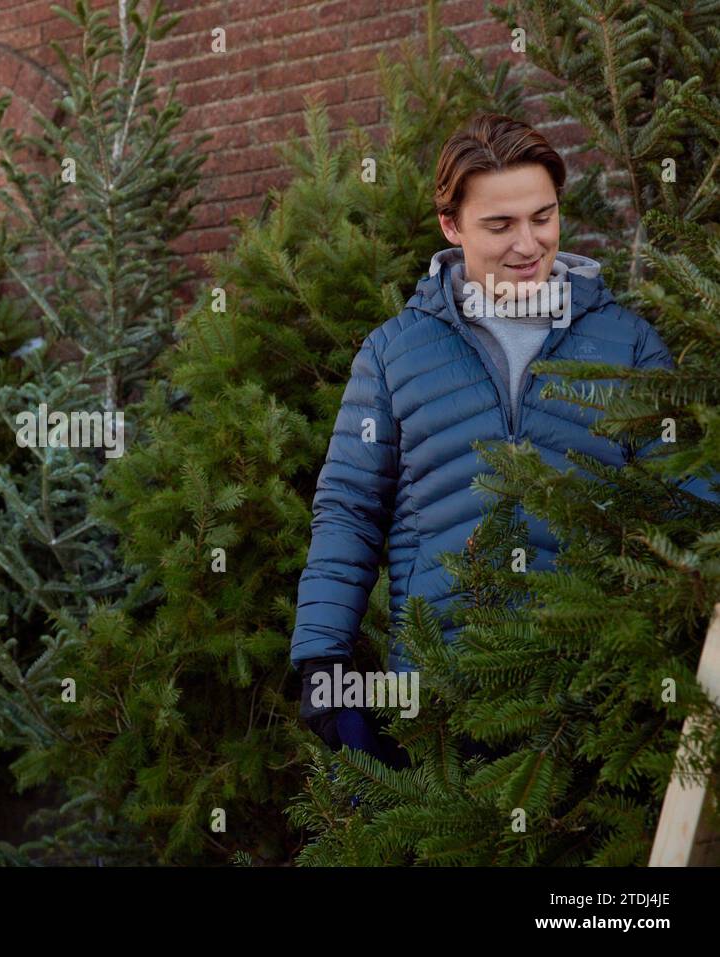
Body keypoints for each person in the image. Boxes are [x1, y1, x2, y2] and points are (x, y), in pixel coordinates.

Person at [290, 113, 714, 765]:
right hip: (440, 705)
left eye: (542, 217)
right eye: (500, 224)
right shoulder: (393, 355)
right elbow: (348, 506)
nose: (527, 243)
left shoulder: (626, 344)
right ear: (451, 226)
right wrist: (321, 656)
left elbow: (683, 492)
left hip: (595, 708)